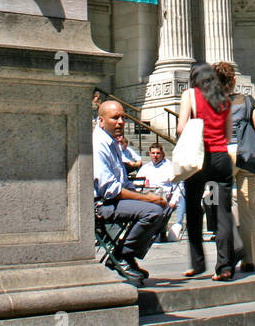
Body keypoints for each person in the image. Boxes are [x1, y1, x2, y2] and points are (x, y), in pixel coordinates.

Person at [93, 100, 170, 284]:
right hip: (102, 205)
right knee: (153, 210)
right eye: (115, 118)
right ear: (101, 120)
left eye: (123, 117)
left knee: (165, 207)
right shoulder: (98, 144)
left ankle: (127, 255)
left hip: (115, 200)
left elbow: (124, 183)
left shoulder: (113, 142)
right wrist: (147, 199)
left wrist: (149, 194)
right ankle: (122, 256)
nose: (120, 122)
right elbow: (111, 190)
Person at [178, 61, 236, 280]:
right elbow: (229, 135)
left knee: (194, 210)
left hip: (198, 157)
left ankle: (198, 263)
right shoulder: (225, 100)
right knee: (224, 213)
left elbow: (181, 128)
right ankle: (225, 266)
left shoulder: (190, 94)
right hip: (221, 157)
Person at [217, 61, 255, 274]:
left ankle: (229, 253)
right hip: (247, 156)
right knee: (248, 209)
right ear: (233, 81)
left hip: (223, 156)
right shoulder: (248, 101)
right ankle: (249, 259)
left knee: (219, 206)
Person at [137, 142, 185, 240]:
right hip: (148, 197)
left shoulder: (169, 167)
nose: (155, 156)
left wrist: (173, 201)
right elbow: (137, 185)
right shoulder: (145, 168)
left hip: (164, 198)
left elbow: (179, 185)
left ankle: (165, 229)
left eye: (158, 153)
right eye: (153, 153)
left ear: (162, 154)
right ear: (149, 154)